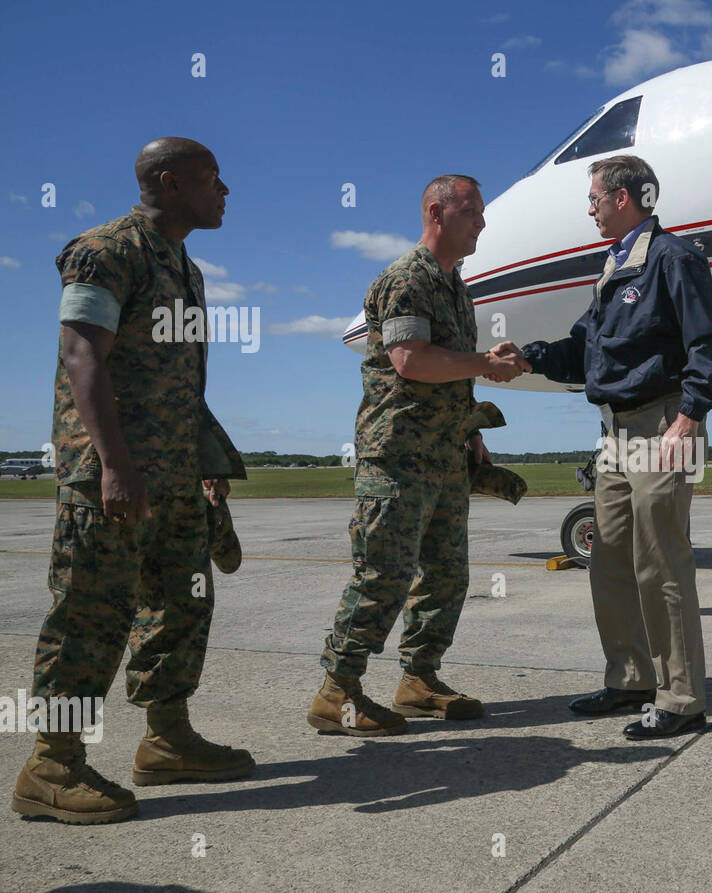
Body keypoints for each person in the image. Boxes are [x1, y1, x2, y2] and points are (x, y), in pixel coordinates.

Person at [11, 138, 252, 826]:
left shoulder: (188, 268)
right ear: (171, 184)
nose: (225, 190)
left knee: (181, 603)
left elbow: (183, 383)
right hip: (111, 476)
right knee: (90, 613)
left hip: (175, 474)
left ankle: (167, 737)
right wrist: (114, 465)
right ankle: (52, 766)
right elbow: (82, 355)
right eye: (213, 179)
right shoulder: (104, 251)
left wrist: (207, 460)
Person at [515, 155, 712, 739]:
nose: (588, 209)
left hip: (665, 423)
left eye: (593, 198)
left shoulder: (672, 258)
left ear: (623, 198)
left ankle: (682, 697)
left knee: (660, 562)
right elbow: (582, 349)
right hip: (616, 432)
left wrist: (689, 418)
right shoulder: (614, 266)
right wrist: (526, 357)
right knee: (608, 557)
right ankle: (633, 678)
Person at [310, 175, 526, 737]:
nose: (482, 222)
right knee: (382, 574)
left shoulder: (457, 287)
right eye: (472, 211)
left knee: (446, 576)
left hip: (444, 455)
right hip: (398, 456)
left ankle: (419, 680)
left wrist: (472, 428)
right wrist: (484, 363)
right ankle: (338, 691)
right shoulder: (407, 279)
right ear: (437, 211)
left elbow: (449, 370)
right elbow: (411, 361)